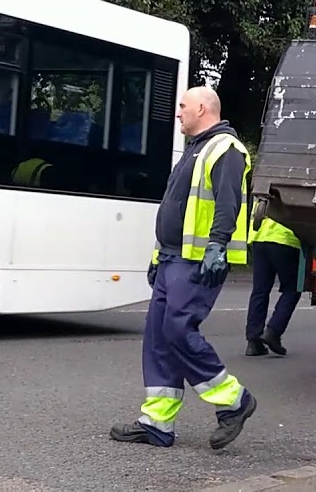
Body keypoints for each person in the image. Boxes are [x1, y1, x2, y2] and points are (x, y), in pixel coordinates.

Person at [110, 86, 257, 450]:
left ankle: (233, 401)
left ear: (203, 108)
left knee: (177, 328)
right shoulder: (195, 148)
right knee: (159, 336)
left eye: (183, 106)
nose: (178, 112)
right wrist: (158, 254)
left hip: (197, 260)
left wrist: (217, 245)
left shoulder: (225, 148)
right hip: (174, 256)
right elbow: (177, 208)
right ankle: (158, 422)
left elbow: (229, 201)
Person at [245, 216, 304, 357]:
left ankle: (253, 342)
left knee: (260, 290)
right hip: (284, 239)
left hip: (260, 237)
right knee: (293, 288)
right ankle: (273, 332)